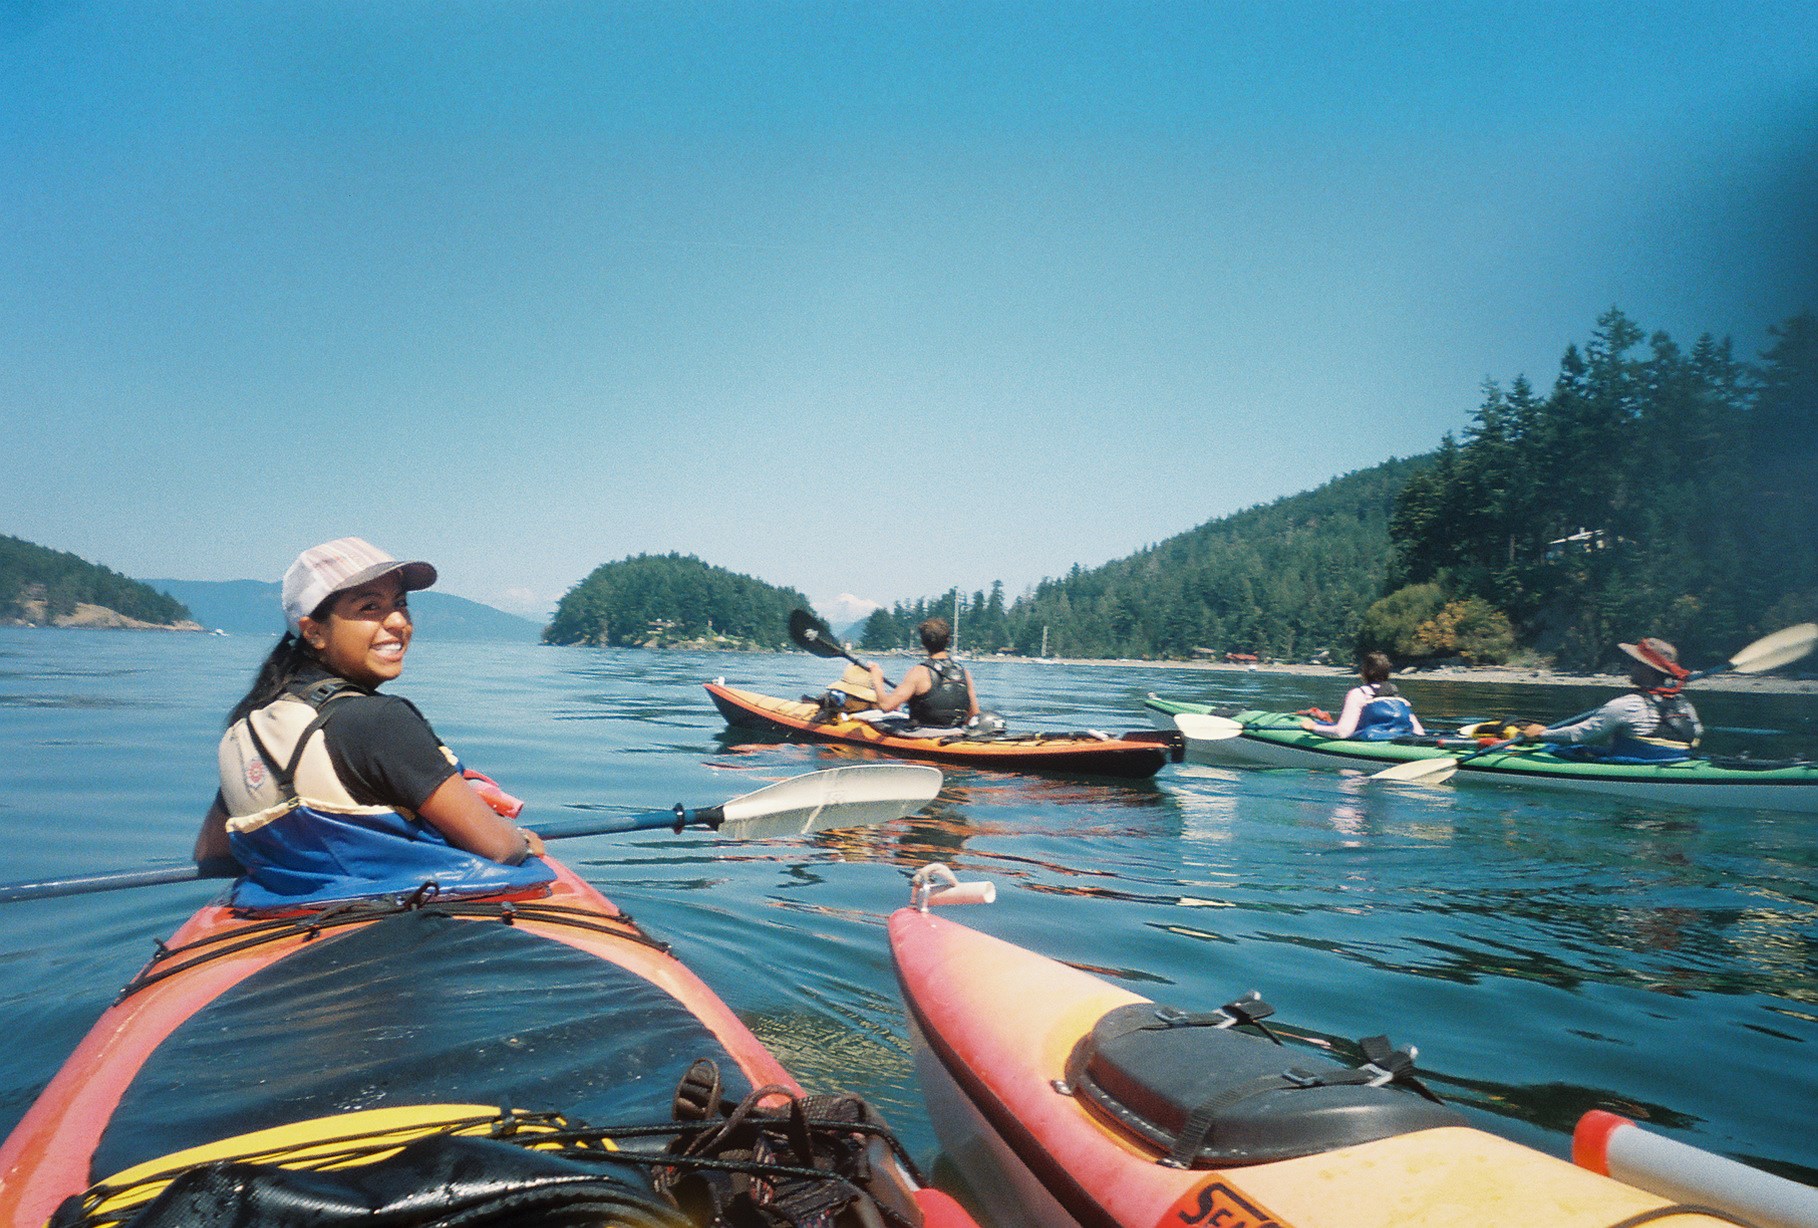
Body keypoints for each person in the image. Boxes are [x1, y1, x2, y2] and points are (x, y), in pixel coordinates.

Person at [193, 537, 552, 909]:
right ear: (313, 631)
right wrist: (521, 840)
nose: (398, 621)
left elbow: (211, 854)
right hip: (406, 925)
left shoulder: (247, 730)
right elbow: (499, 849)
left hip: (286, 920)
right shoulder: (380, 721)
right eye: (369, 607)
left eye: (400, 603)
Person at [1520, 637, 1701, 761]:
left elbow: (1581, 734)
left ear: (1648, 670)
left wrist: (1542, 734)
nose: (1630, 667)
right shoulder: (1683, 702)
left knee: (1565, 750)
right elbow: (1697, 733)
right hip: (1677, 760)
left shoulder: (1628, 704)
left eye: (1635, 663)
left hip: (1640, 766)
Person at [865, 617, 979, 729]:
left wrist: (877, 679)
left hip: (925, 732)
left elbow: (886, 705)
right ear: (948, 641)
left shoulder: (919, 673)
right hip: (954, 732)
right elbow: (974, 715)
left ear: (923, 643)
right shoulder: (964, 673)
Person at [1300, 651, 1425, 741]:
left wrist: (1314, 727)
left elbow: (1342, 732)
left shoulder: (1358, 695)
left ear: (1364, 672)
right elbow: (1419, 733)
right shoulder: (1401, 700)